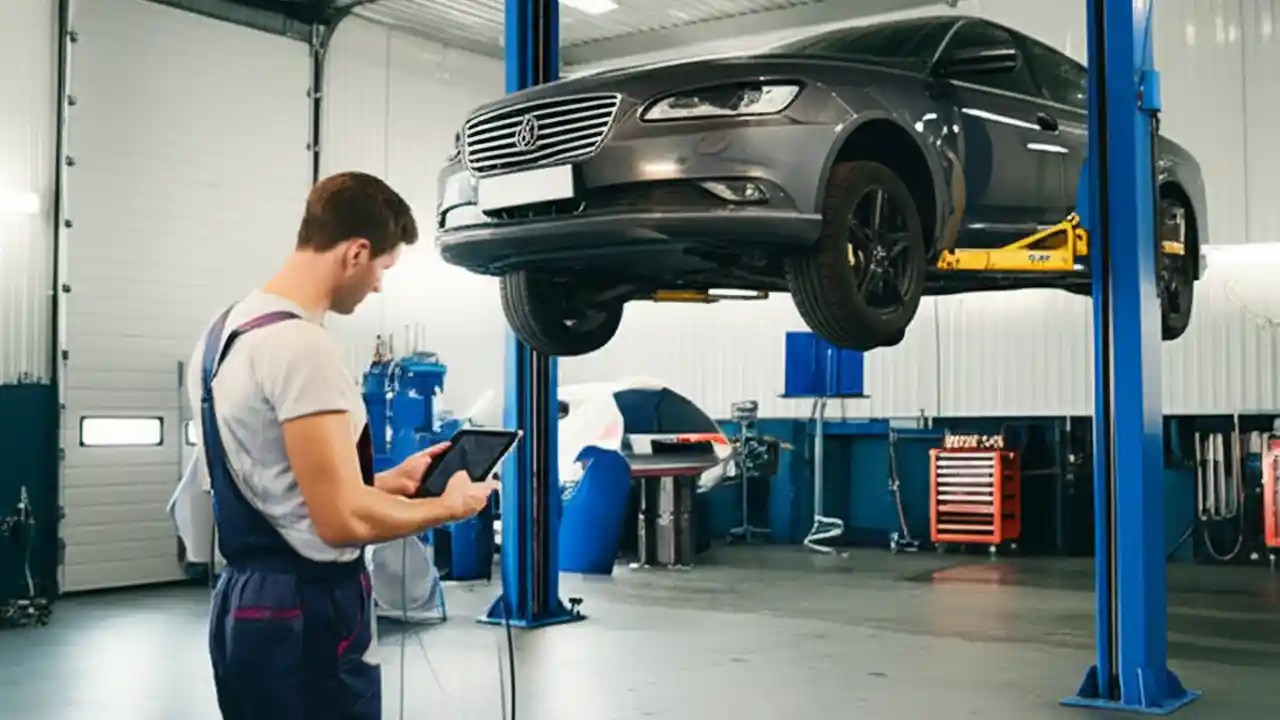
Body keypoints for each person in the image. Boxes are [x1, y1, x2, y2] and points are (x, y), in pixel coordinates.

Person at [186, 171, 497, 719]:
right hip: (308, 611)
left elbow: (278, 486)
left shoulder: (222, 332)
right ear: (356, 252)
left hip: (245, 605)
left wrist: (387, 483)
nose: (378, 285)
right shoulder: (302, 346)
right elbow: (340, 522)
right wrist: (447, 508)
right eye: (383, 267)